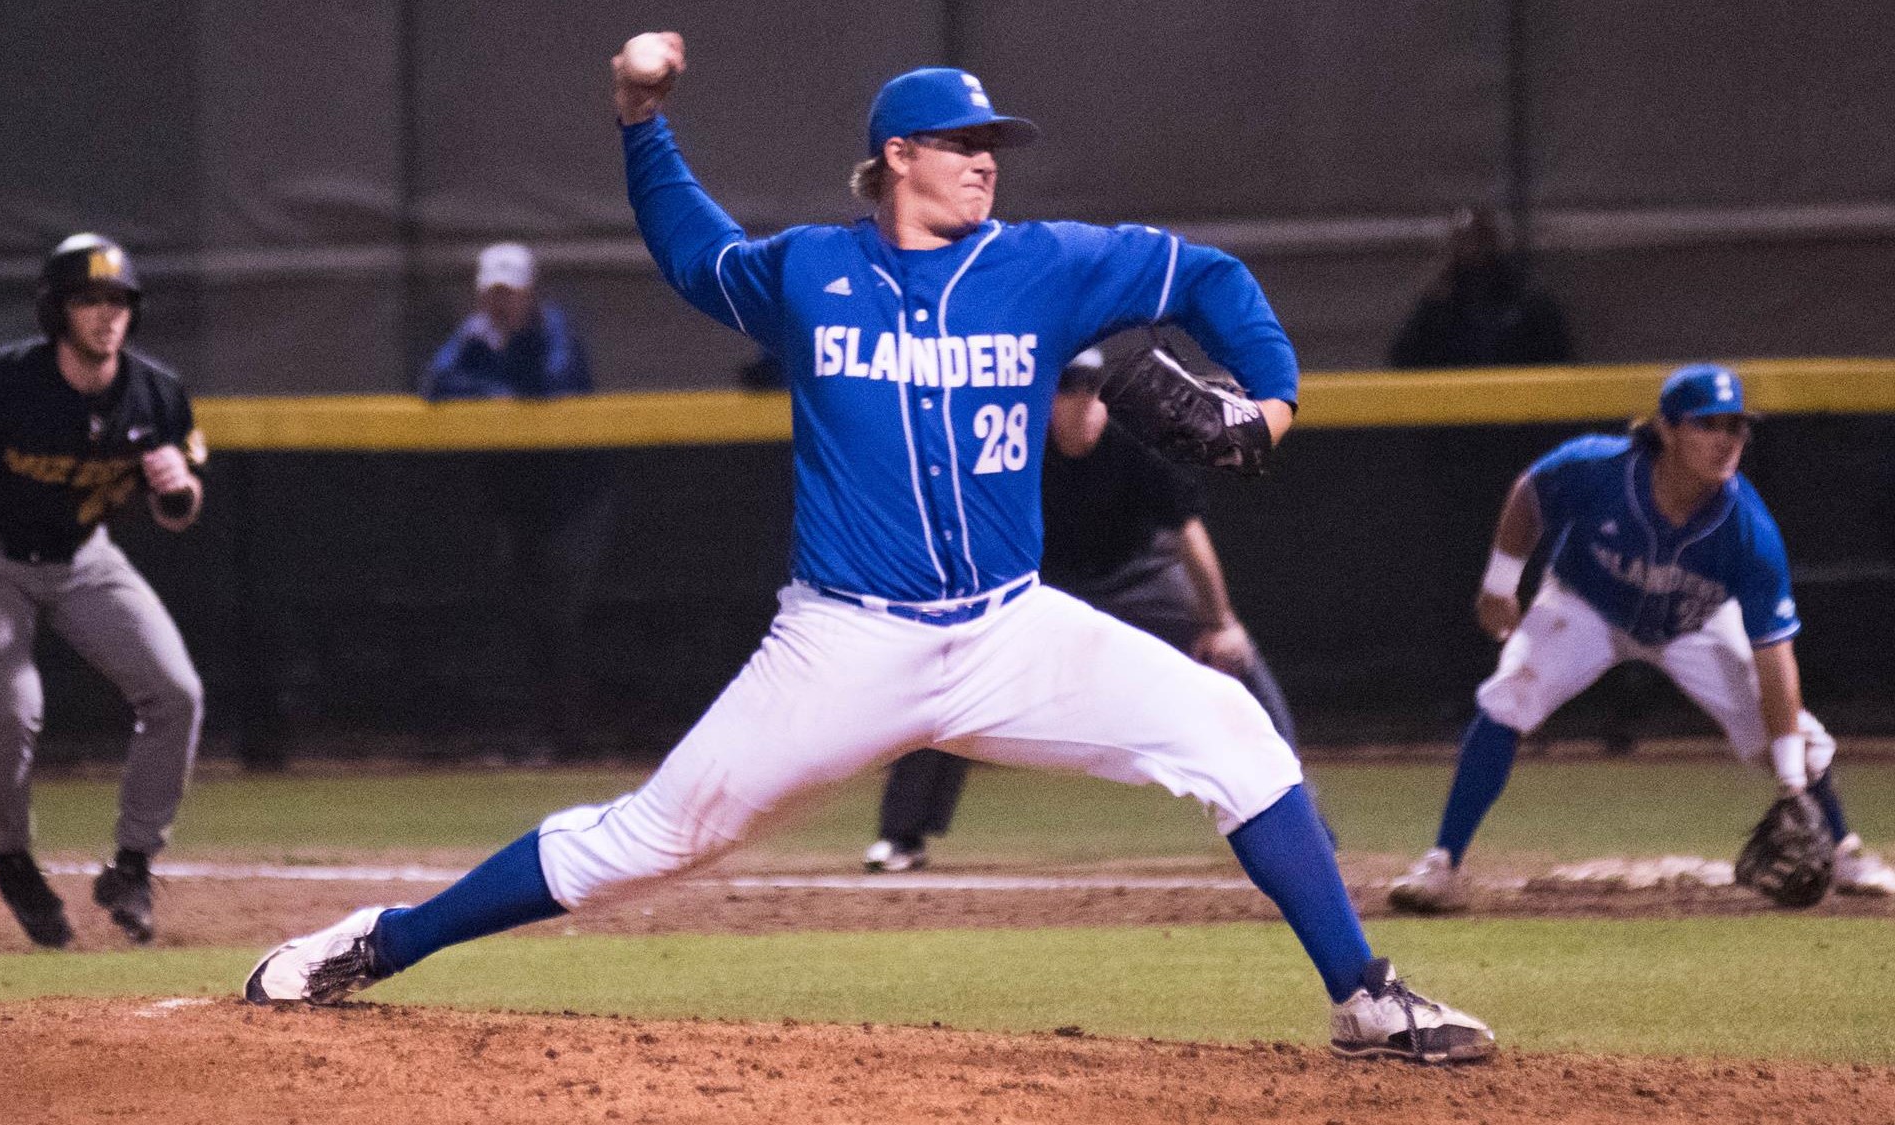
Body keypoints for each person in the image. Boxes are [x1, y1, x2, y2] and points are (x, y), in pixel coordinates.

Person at [246, 34, 1495, 1065]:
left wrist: (1270, 401)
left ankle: (1364, 998)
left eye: (993, 145)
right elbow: (689, 249)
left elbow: (1208, 275)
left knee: (1231, 733)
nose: (986, 162)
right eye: (962, 143)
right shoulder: (809, 273)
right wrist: (639, 118)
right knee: (643, 843)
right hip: (841, 643)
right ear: (896, 156)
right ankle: (382, 940)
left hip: (1009, 629)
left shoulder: (1043, 266)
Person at [1389, 363, 1895, 913]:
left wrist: (1792, 785)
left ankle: (1844, 850)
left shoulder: (1749, 530)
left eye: (1736, 426)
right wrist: (1499, 582)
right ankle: (1442, 864)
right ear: (1666, 430)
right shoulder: (1598, 468)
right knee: (1511, 692)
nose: (1726, 441)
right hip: (1587, 604)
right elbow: (1530, 494)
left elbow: (1775, 659)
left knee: (1793, 736)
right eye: (1707, 425)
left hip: (1692, 625)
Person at [864, 346, 1300, 873]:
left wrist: (1220, 622)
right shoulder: (1015, 446)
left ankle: (1300, 822)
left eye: (1093, 390)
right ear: (1046, 399)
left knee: (1236, 659)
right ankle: (901, 836)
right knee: (951, 679)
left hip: (1137, 576)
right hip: (1042, 586)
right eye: (1069, 390)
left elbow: (1188, 533)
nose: (1084, 402)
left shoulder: (1136, 440)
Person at [0, 233, 207, 948]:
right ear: (57, 311)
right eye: (88, 300)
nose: (107, 314)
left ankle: (131, 867)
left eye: (118, 300)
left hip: (83, 559)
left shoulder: (157, 394)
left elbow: (179, 511)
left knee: (177, 692)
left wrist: (179, 490)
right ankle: (12, 860)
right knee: (14, 710)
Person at [1386, 204, 1574, 370]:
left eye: (1479, 239)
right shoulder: (1439, 304)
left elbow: (1557, 356)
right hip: (1457, 395)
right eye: (1464, 241)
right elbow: (1404, 358)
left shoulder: (1525, 300)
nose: (1473, 248)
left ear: (1493, 242)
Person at [423, 242, 592, 400]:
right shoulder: (474, 333)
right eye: (492, 294)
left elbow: (559, 382)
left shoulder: (551, 327)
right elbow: (436, 381)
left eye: (508, 294)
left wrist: (517, 342)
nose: (499, 303)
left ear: (530, 295)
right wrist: (491, 392)